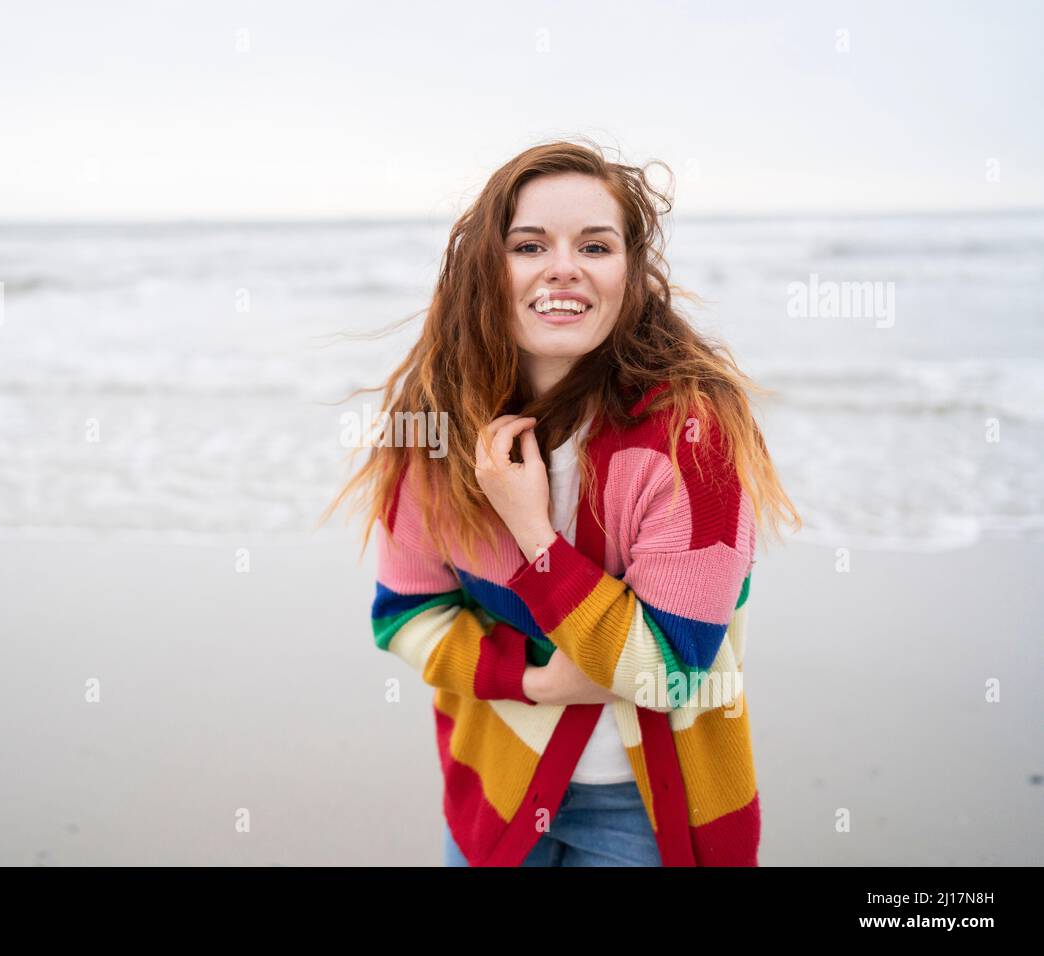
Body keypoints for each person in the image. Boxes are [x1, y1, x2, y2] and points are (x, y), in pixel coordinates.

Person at [323, 138, 801, 866]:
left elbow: (669, 670)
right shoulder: (436, 428)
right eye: (529, 244)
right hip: (496, 784)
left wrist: (531, 532)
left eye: (597, 245)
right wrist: (534, 679)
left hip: (648, 811)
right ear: (486, 268)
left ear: (632, 274)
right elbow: (406, 614)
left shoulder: (692, 437)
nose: (564, 267)